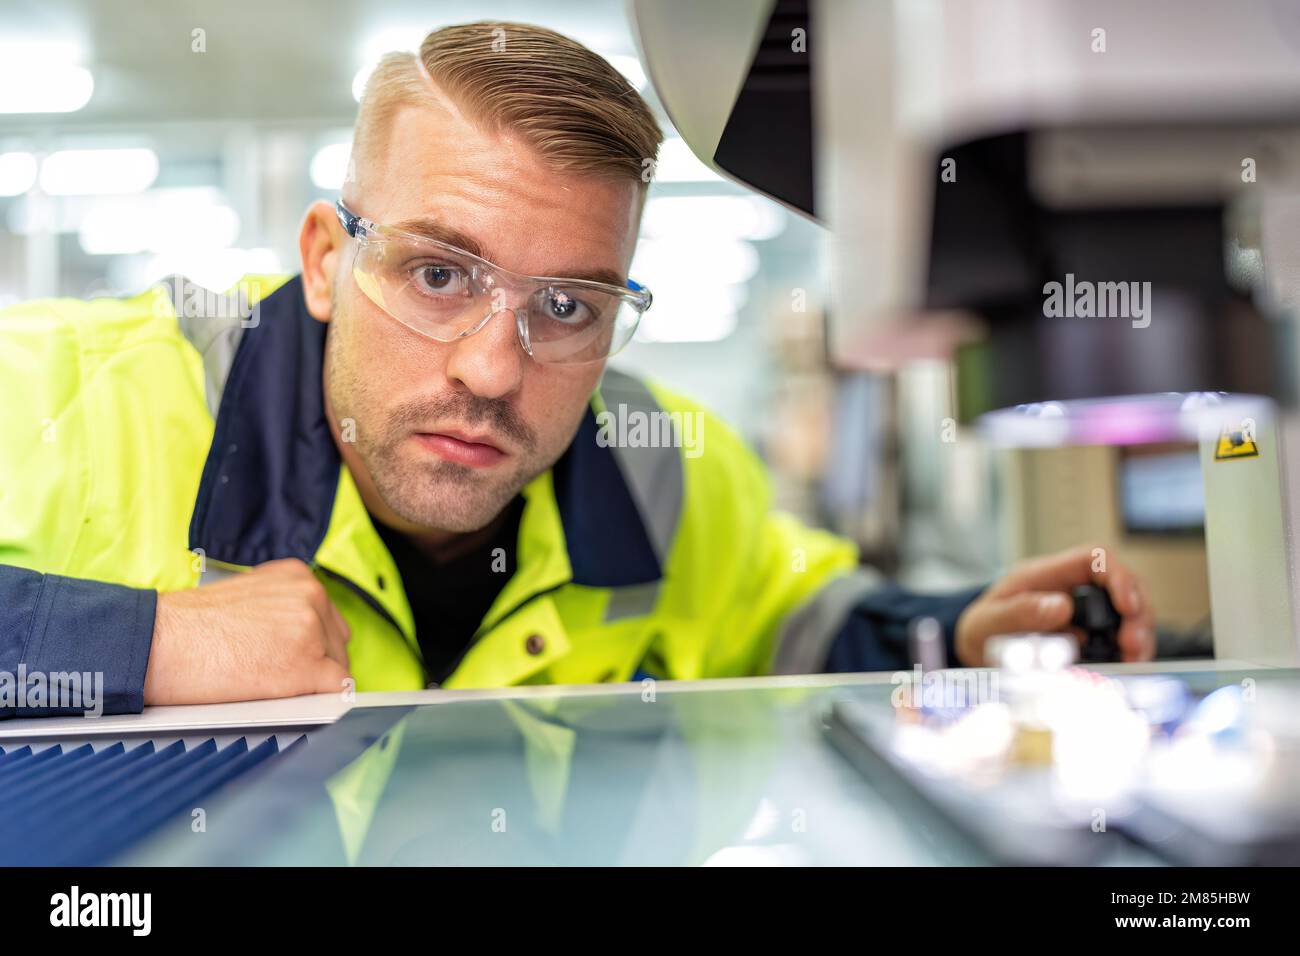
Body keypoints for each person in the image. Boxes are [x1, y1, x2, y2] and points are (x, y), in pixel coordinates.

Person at [0, 21, 1154, 718]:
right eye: (440, 274)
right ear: (322, 260)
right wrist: (145, 639)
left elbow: (793, 624)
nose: (496, 368)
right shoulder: (61, 400)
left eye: (567, 304)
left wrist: (953, 639)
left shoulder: (660, 476)